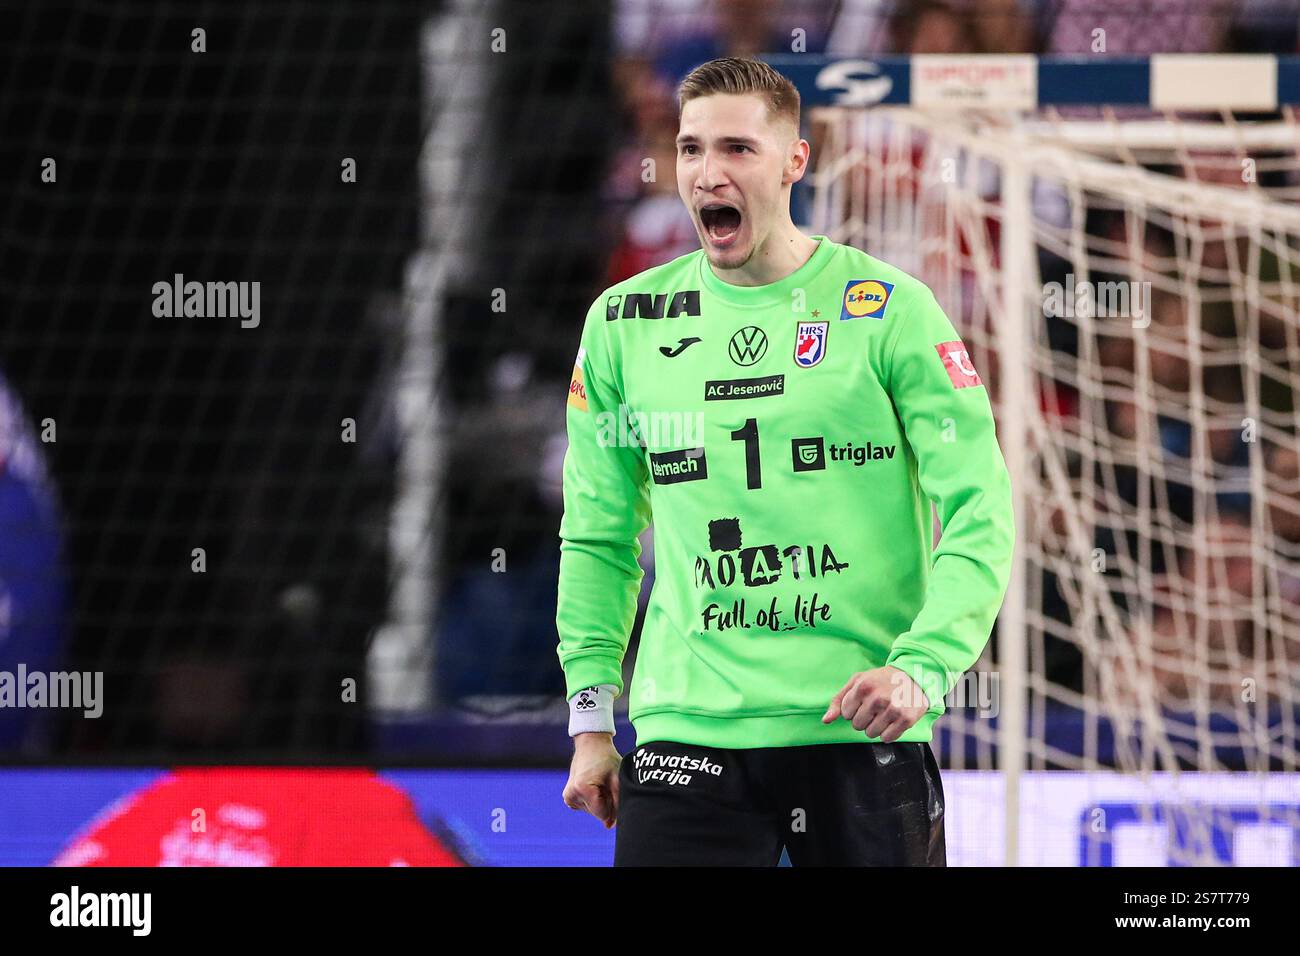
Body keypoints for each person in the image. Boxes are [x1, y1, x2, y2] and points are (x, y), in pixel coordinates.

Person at [555, 57, 1015, 866]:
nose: (707, 173)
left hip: (859, 725)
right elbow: (597, 535)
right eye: (692, 149)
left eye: (738, 149)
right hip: (684, 736)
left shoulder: (888, 311)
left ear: (794, 162)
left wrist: (925, 665)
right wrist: (592, 720)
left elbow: (981, 508)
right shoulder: (623, 322)